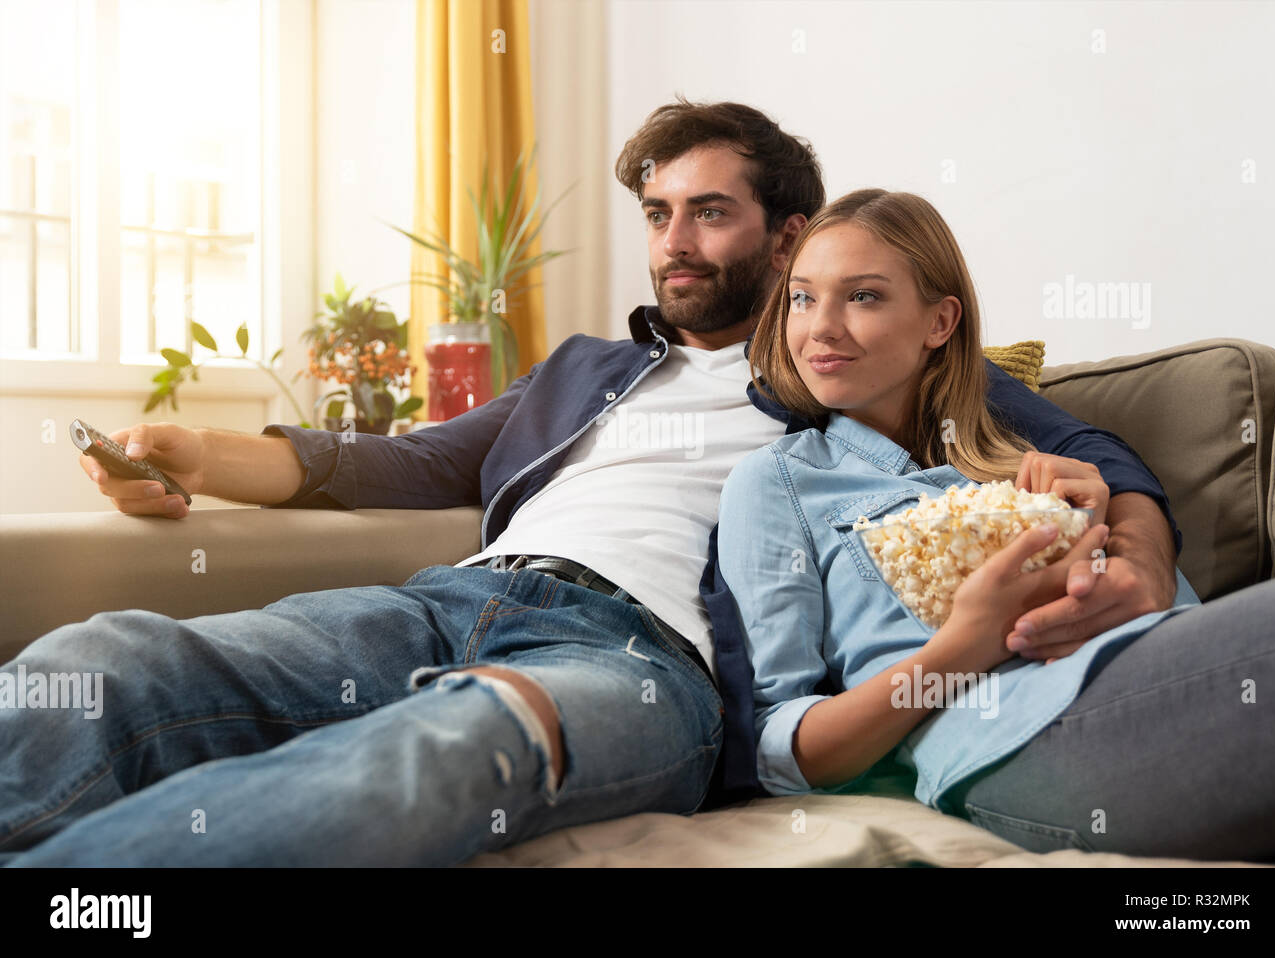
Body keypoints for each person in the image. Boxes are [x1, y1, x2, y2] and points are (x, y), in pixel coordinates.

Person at [1, 101, 1185, 866]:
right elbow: (400, 459)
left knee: (444, 748)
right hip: (441, 599)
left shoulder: (849, 373)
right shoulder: (587, 372)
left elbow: (1095, 458)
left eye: (708, 213)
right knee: (109, 656)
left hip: (637, 660)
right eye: (659, 213)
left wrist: (1131, 555)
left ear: (788, 235)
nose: (672, 241)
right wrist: (197, 458)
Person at [717, 187, 1275, 862]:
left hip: (1153, 677)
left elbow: (1162, 615)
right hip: (1011, 741)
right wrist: (965, 644)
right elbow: (775, 746)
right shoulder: (779, 482)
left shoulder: (1027, 461)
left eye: (863, 296)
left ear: (940, 322)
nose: (820, 326)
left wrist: (1094, 533)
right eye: (803, 297)